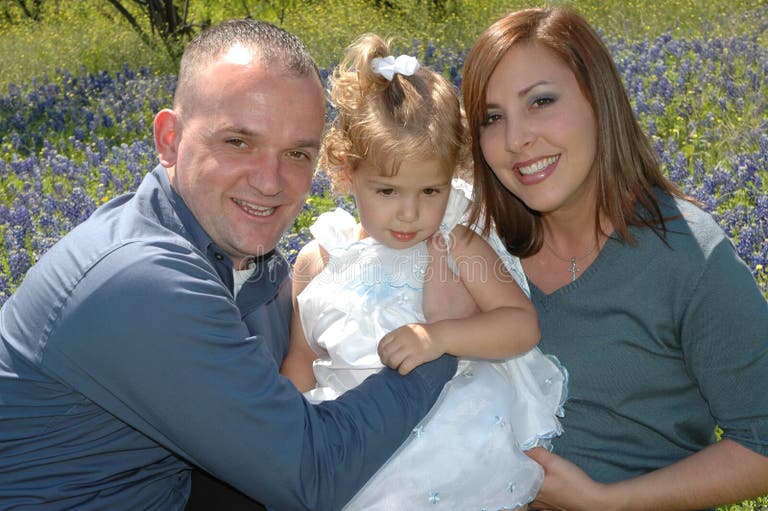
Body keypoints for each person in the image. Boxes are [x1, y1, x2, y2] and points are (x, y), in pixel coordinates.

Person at [0, 19, 460, 511]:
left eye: (297, 153)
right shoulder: (141, 280)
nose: (269, 181)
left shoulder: (253, 263)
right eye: (238, 142)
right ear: (170, 139)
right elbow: (313, 472)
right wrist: (450, 344)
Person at [458, 6, 768, 510]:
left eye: (541, 101)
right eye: (492, 118)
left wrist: (607, 502)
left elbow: (763, 444)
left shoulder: (688, 255)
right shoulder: (477, 247)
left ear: (599, 100)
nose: (516, 140)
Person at [279, 33, 566, 510]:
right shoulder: (320, 258)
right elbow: (300, 362)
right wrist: (285, 442)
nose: (410, 214)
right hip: (355, 447)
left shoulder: (455, 242)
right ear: (348, 173)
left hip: (453, 449)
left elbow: (521, 324)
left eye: (429, 192)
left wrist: (439, 337)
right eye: (388, 192)